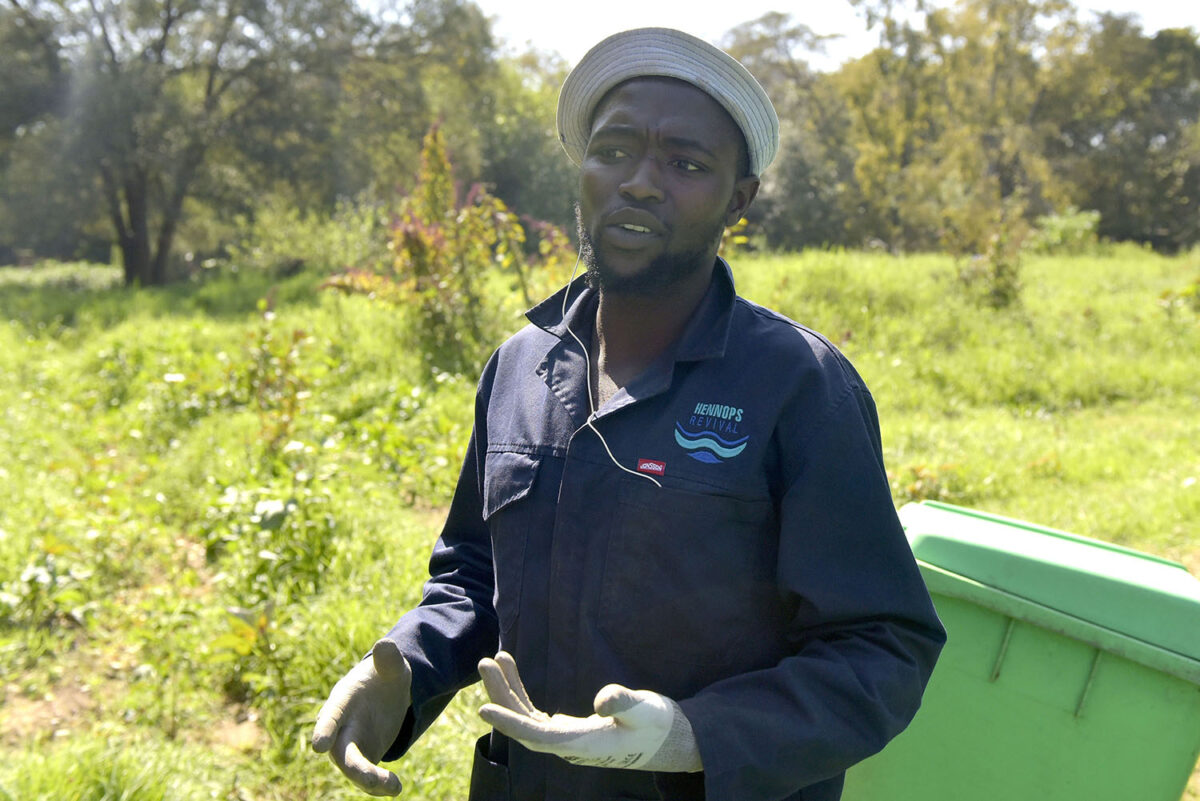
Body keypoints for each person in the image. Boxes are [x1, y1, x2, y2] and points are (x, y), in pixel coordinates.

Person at [311, 27, 946, 801]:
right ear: (581, 171)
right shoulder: (519, 367)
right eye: (614, 151)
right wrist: (402, 671)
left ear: (737, 200)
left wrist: (695, 737)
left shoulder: (799, 388)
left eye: (685, 163)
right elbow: (474, 576)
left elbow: (882, 646)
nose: (640, 183)